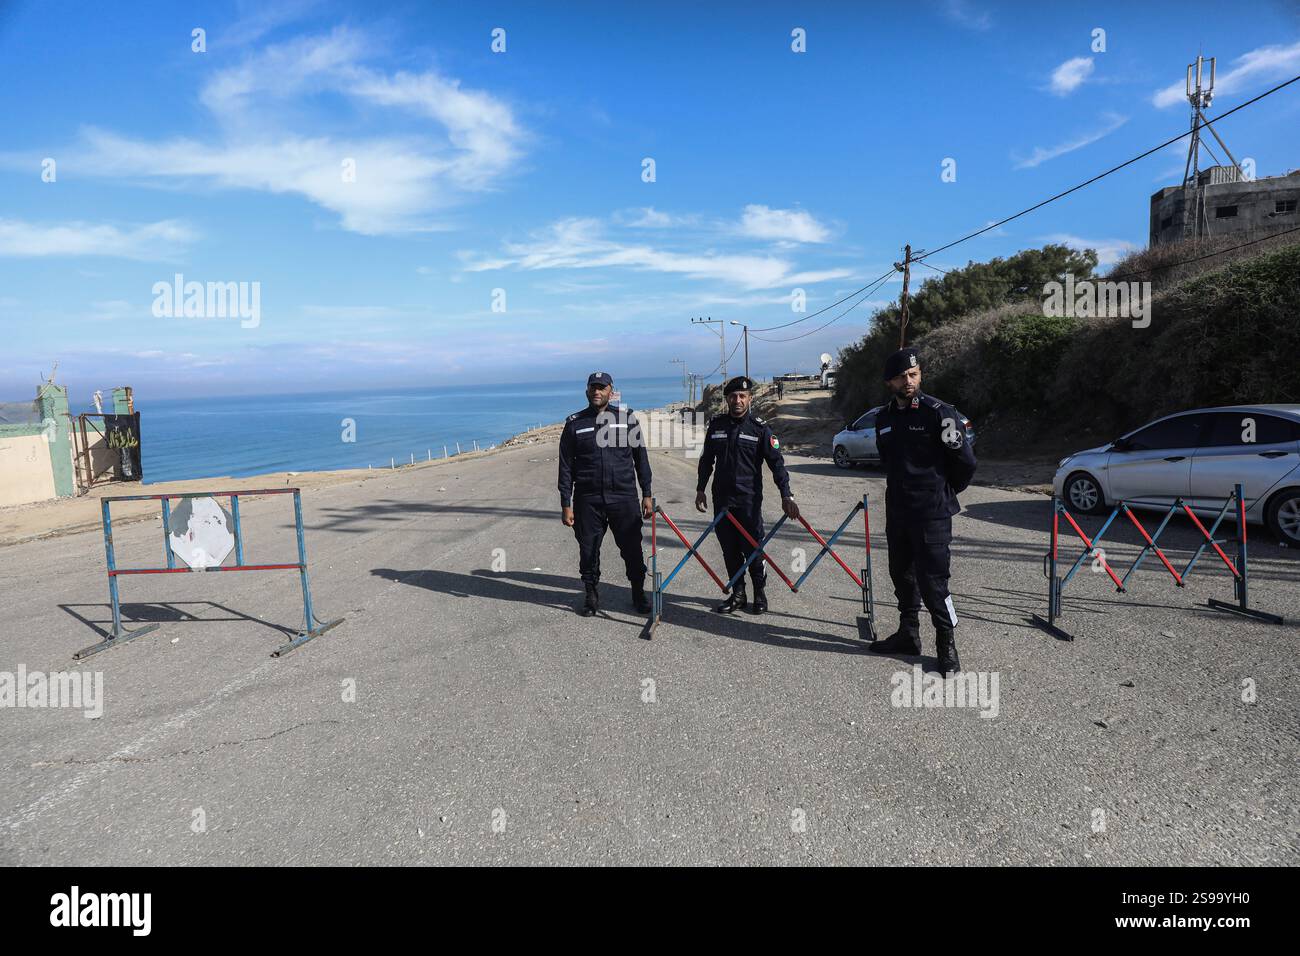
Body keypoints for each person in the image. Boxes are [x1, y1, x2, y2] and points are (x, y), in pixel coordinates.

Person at [869, 347, 976, 676]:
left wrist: (941, 492)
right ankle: (908, 634)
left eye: (913, 374)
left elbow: (966, 463)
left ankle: (946, 643)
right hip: (898, 511)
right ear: (890, 382)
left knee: (934, 583)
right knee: (901, 575)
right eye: (902, 376)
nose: (909, 380)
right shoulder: (883, 418)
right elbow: (889, 461)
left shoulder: (940, 413)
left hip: (931, 513)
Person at [695, 376, 799, 614]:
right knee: (729, 550)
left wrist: (786, 495)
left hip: (748, 501)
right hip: (722, 500)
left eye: (742, 396)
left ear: (750, 399)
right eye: (733, 396)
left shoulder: (760, 429)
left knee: (753, 549)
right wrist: (700, 489)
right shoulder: (716, 425)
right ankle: (738, 594)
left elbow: (777, 464)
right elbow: (706, 460)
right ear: (727, 399)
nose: (738, 400)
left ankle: (759, 594)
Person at [558, 372, 654, 617]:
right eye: (593, 388)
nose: (597, 392)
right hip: (588, 499)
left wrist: (647, 493)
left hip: (623, 497)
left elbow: (640, 458)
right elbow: (566, 466)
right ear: (587, 391)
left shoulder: (626, 419)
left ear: (611, 390)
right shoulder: (574, 423)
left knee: (632, 549)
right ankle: (591, 596)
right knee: (588, 550)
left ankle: (638, 592)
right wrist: (565, 503)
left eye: (602, 387)